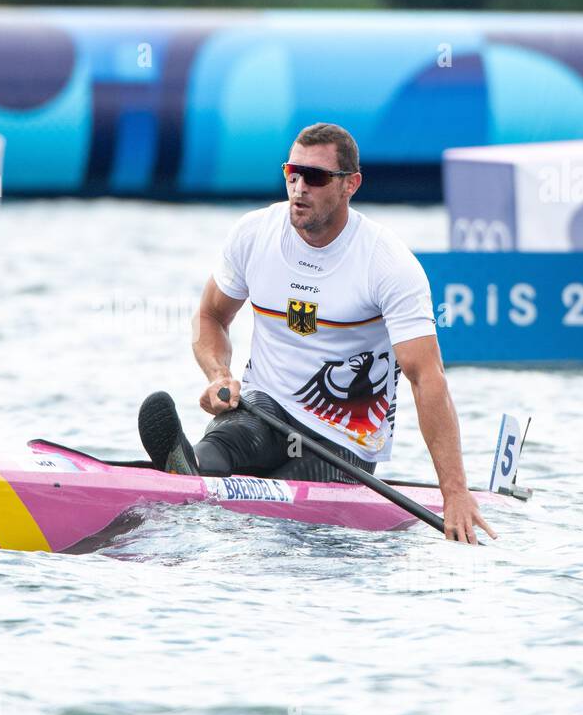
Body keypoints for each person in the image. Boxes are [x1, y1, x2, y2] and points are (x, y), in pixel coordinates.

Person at [138, 122, 496, 544]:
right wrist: (218, 375)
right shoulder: (255, 234)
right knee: (225, 444)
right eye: (292, 172)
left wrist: (454, 492)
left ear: (351, 185)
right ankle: (189, 474)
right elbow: (210, 317)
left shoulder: (387, 263)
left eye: (316, 177)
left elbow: (427, 378)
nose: (299, 187)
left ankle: (196, 491)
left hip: (342, 440)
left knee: (277, 528)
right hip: (265, 409)